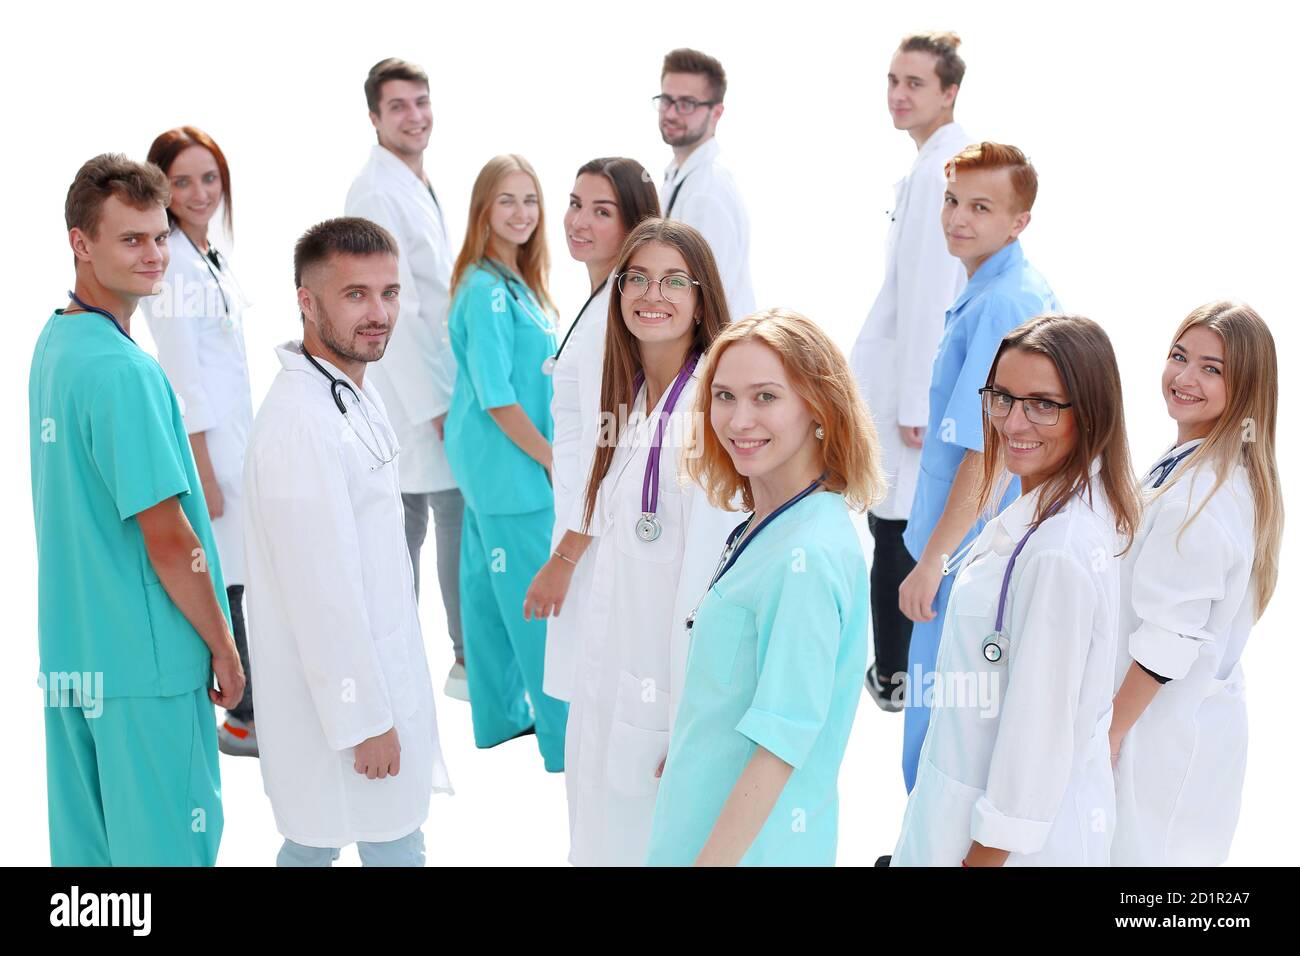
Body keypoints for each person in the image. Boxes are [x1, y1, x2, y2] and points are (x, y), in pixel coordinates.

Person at [30, 154, 242, 865]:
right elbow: (168, 536)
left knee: (93, 879)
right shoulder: (126, 373)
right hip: (145, 670)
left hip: (74, 661)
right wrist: (222, 643)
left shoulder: (56, 344)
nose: (153, 255)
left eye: (158, 237)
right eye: (130, 240)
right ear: (80, 243)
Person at [892, 314, 1140, 866]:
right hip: (958, 820)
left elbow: (1036, 741)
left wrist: (979, 861)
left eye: (1043, 404)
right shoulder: (1036, 518)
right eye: (1001, 397)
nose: (1012, 421)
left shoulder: (1058, 553)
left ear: (1091, 412)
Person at [525, 218, 736, 865]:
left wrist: (697, 724)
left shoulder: (713, 415)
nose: (653, 293)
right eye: (637, 278)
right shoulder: (634, 396)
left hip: (663, 705)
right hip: (611, 685)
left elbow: (713, 590)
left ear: (702, 299)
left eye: (675, 280)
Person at [242, 218, 451, 866]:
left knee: (321, 842)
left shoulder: (351, 393)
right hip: (344, 709)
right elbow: (321, 593)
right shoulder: (302, 425)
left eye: (389, 293)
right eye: (356, 294)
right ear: (308, 301)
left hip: (370, 685)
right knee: (359, 840)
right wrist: (366, 722)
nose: (379, 313)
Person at [645, 309, 884, 866]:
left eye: (766, 397)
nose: (738, 419)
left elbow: (782, 739)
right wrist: (692, 749)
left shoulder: (808, 555)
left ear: (819, 407)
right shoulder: (766, 522)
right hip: (704, 825)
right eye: (724, 396)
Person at [897, 142, 1060, 792]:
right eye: (953, 200)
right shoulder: (995, 287)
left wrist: (934, 558)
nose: (958, 219)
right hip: (969, 539)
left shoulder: (1002, 303)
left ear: (1019, 219)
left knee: (941, 727)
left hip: (966, 549)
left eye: (981, 207)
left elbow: (985, 447)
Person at [1110, 302, 1282, 866]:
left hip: (1157, 732)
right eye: (1179, 357)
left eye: (1212, 368)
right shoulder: (1201, 465)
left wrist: (1105, 737)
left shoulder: (1201, 497)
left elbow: (1167, 641)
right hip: (1185, 727)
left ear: (1246, 388)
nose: (1184, 377)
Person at [851, 31, 971, 711]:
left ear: (949, 93)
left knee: (894, 524)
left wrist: (917, 402)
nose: (899, 94)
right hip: (907, 378)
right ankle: (903, 670)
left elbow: (929, 290)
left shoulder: (938, 172)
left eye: (915, 84)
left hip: (911, 389)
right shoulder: (933, 164)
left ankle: (895, 673)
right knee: (899, 521)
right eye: (893, 80)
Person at [345, 58, 468, 701]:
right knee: (436, 513)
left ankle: (416, 662)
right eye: (398, 107)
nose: (415, 116)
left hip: (421, 382)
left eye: (422, 102)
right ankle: (457, 659)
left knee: (415, 517)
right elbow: (397, 305)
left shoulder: (413, 181)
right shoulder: (376, 192)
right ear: (374, 117)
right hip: (410, 385)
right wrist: (437, 403)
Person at [444, 155, 567, 771]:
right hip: (510, 468)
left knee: (487, 594)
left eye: (531, 200)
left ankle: (497, 718)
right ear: (484, 211)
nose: (522, 213)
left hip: (494, 467)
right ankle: (561, 739)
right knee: (537, 603)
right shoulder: (485, 291)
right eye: (507, 201)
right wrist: (552, 460)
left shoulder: (516, 283)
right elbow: (497, 395)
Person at [144, 126, 258, 755]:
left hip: (236, 443)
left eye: (209, 178)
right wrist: (206, 471)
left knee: (245, 576)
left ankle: (250, 715)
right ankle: (243, 718)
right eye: (181, 181)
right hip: (210, 451)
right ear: (159, 187)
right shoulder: (170, 266)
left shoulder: (207, 254)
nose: (199, 192)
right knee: (230, 581)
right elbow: (184, 373)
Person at [540, 157, 660, 705]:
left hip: (593, 536)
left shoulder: (618, 313)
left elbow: (609, 452)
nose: (578, 222)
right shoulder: (602, 299)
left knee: (600, 701)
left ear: (634, 225)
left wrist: (564, 560)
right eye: (574, 204)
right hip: (583, 522)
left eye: (601, 211)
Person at [655, 48, 756, 318]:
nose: (672, 113)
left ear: (716, 113)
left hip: (709, 352)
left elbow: (707, 298)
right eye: (666, 100)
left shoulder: (706, 194)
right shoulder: (679, 177)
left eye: (686, 103)